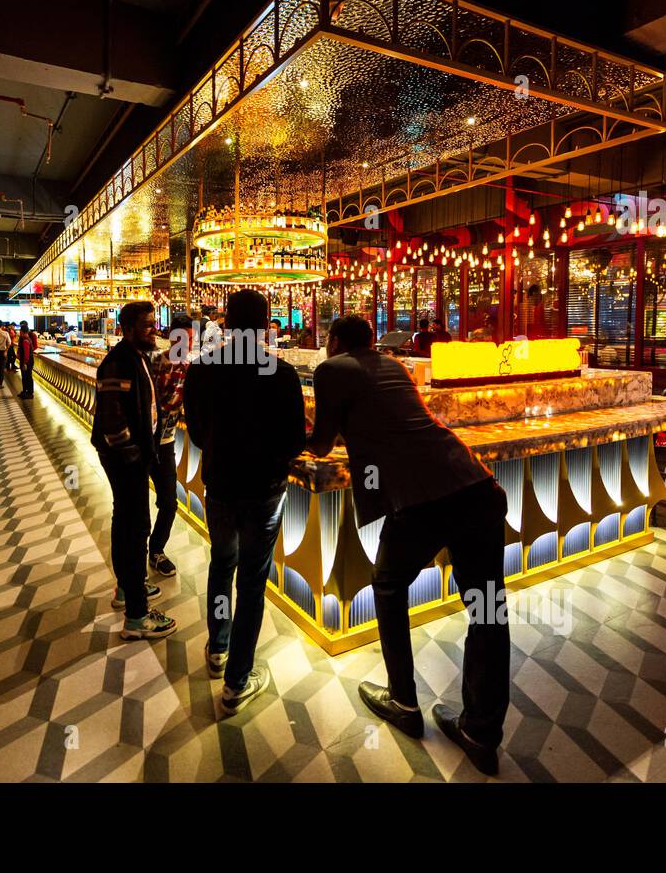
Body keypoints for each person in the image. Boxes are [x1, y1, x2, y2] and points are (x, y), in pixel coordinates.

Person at [307, 315, 508, 773]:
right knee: (488, 609)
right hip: (477, 486)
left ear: (334, 342)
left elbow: (320, 444)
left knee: (389, 586)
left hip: (421, 500)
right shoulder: (393, 366)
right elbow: (382, 420)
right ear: (373, 341)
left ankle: (404, 702)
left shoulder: (331, 368)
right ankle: (480, 731)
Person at [184, 290, 306, 716]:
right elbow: (295, 440)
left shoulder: (201, 370)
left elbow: (196, 432)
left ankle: (218, 647)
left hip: (220, 484)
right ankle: (237, 680)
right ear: (266, 322)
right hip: (264, 488)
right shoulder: (282, 372)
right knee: (252, 582)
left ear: (226, 321)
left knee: (222, 563)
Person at [91, 301, 177, 641]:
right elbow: (112, 421)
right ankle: (137, 617)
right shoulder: (119, 362)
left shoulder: (137, 357)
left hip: (129, 456)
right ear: (126, 329)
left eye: (153, 324)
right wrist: (135, 456)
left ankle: (127, 589)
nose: (153, 330)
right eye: (145, 326)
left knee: (124, 519)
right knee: (136, 525)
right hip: (124, 458)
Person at [148, 314, 193, 577]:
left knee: (169, 502)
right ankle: (129, 568)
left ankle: (156, 550)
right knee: (135, 505)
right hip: (141, 442)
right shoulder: (154, 362)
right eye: (182, 338)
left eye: (190, 339)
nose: (186, 344)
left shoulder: (189, 367)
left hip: (166, 443)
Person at [17, 320, 38, 398]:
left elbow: (27, 352)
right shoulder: (26, 338)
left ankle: (29, 393)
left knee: (28, 376)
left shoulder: (26, 339)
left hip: (27, 360)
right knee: (25, 376)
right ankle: (25, 391)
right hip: (27, 359)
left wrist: (25, 362)